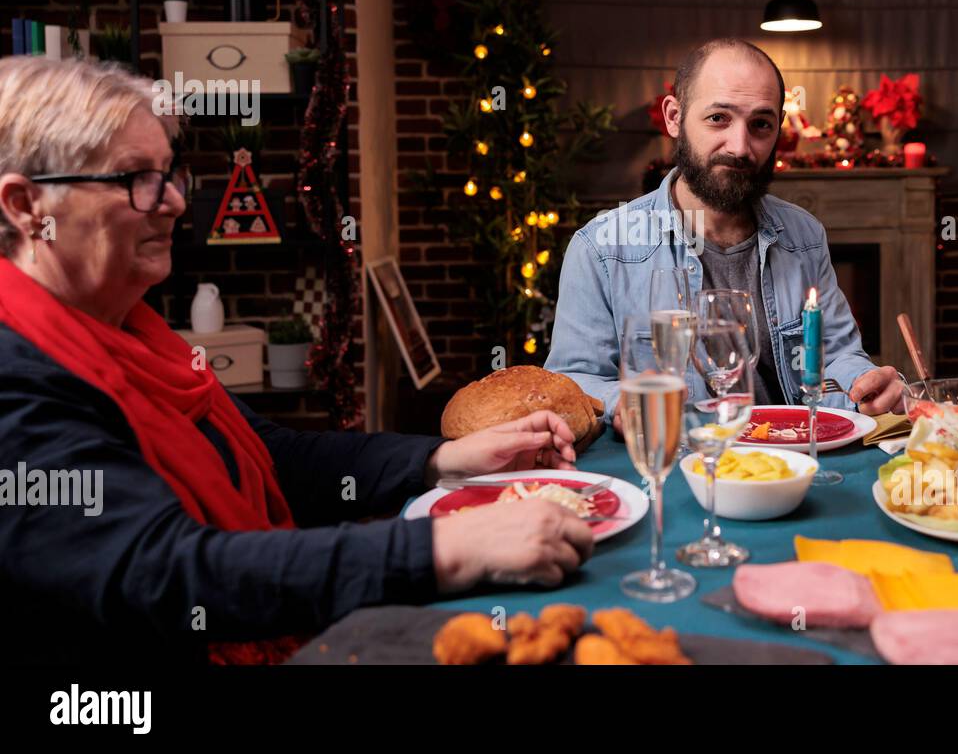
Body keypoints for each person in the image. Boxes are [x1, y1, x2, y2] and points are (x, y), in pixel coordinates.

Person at [0, 57, 593, 665]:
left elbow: (273, 457)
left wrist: (444, 459)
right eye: (134, 178)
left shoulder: (131, 330)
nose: (174, 201)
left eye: (170, 173)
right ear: (24, 206)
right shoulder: (17, 375)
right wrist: (440, 548)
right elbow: (163, 572)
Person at [545, 37, 904, 426]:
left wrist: (865, 384)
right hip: (676, 462)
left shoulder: (803, 234)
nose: (740, 146)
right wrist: (625, 402)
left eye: (761, 125)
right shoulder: (601, 247)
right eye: (719, 118)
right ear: (673, 117)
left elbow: (836, 355)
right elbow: (574, 381)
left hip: (788, 456)